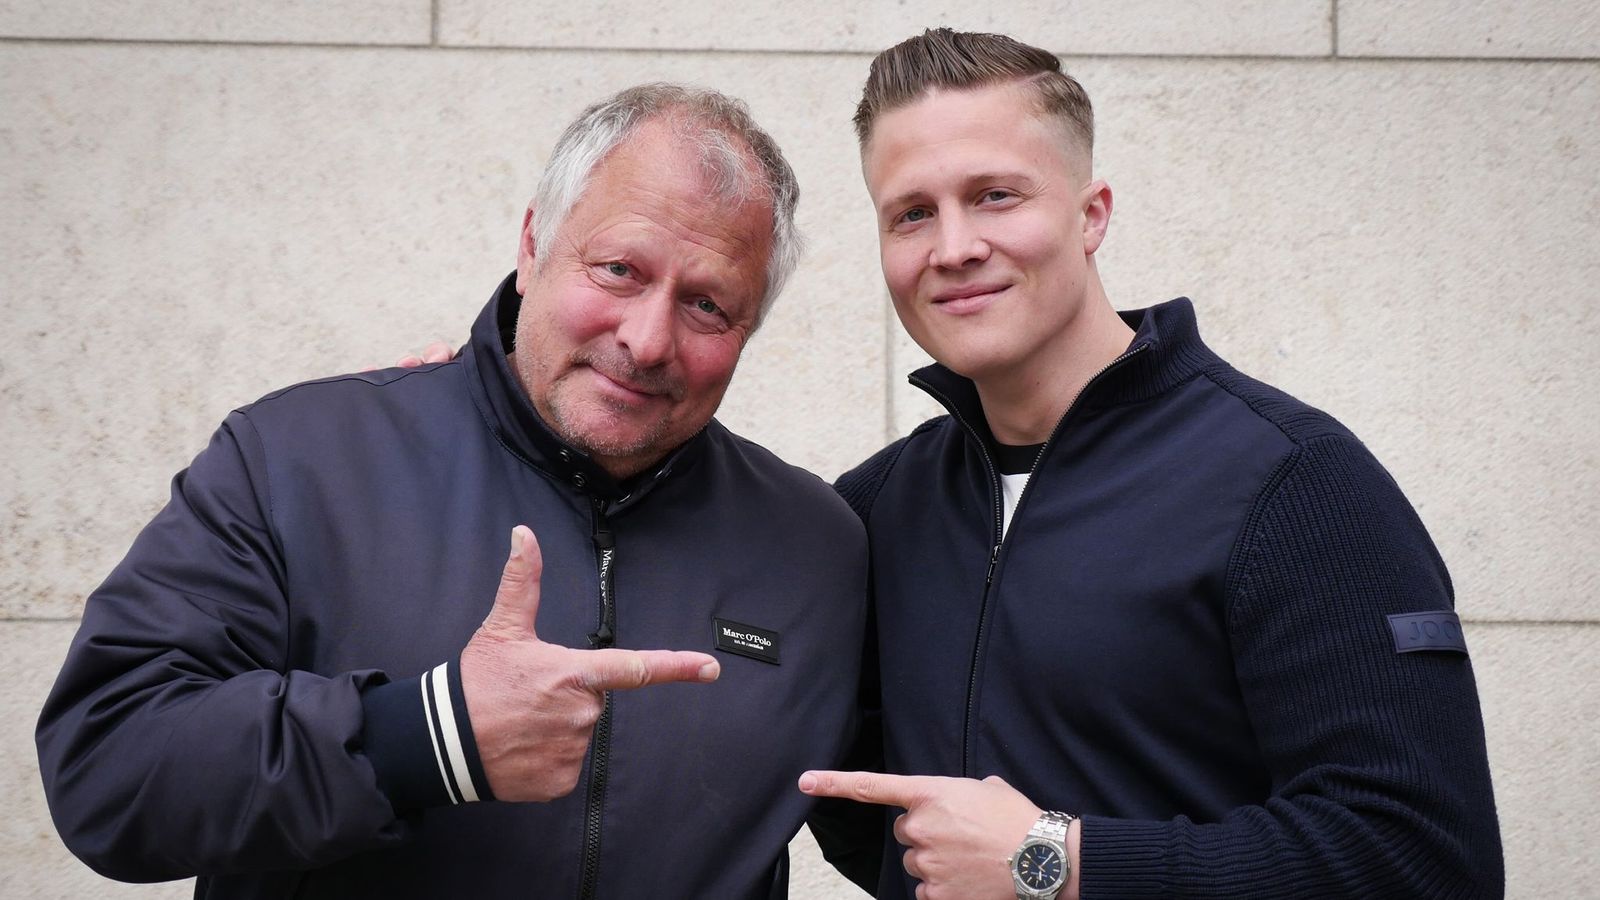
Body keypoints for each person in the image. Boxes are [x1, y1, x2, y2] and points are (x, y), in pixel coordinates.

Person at [35, 83, 867, 899]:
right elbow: (107, 770)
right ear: (533, 244)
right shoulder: (303, 460)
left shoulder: (817, 545)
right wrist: (430, 736)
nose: (647, 340)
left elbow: (905, 811)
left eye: (708, 305)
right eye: (618, 270)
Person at [798, 29, 1503, 900]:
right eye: (911, 213)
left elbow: (1425, 857)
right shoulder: (875, 509)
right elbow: (854, 796)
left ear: (1091, 214)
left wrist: (1053, 862)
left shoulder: (1294, 482)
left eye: (995, 196)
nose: (952, 247)